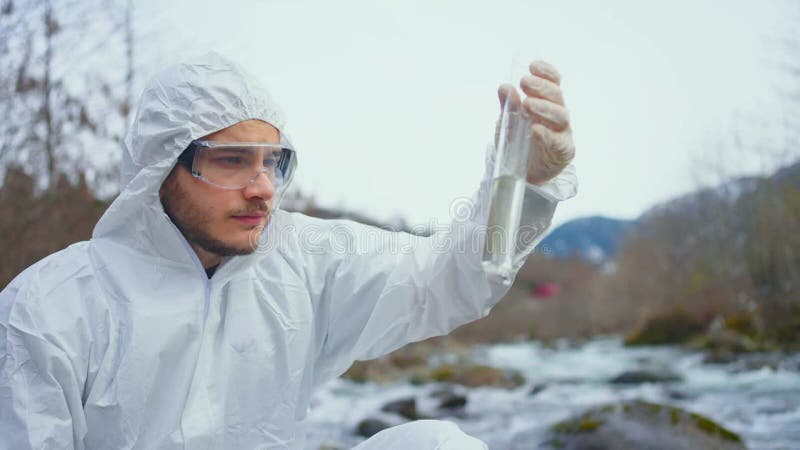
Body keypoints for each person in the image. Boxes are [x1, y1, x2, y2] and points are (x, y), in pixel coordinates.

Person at [0, 52, 577, 449]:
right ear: (161, 166)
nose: (263, 188)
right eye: (232, 160)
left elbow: (452, 278)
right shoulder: (50, 308)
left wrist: (520, 186)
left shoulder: (304, 261)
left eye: (273, 162)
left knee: (434, 443)